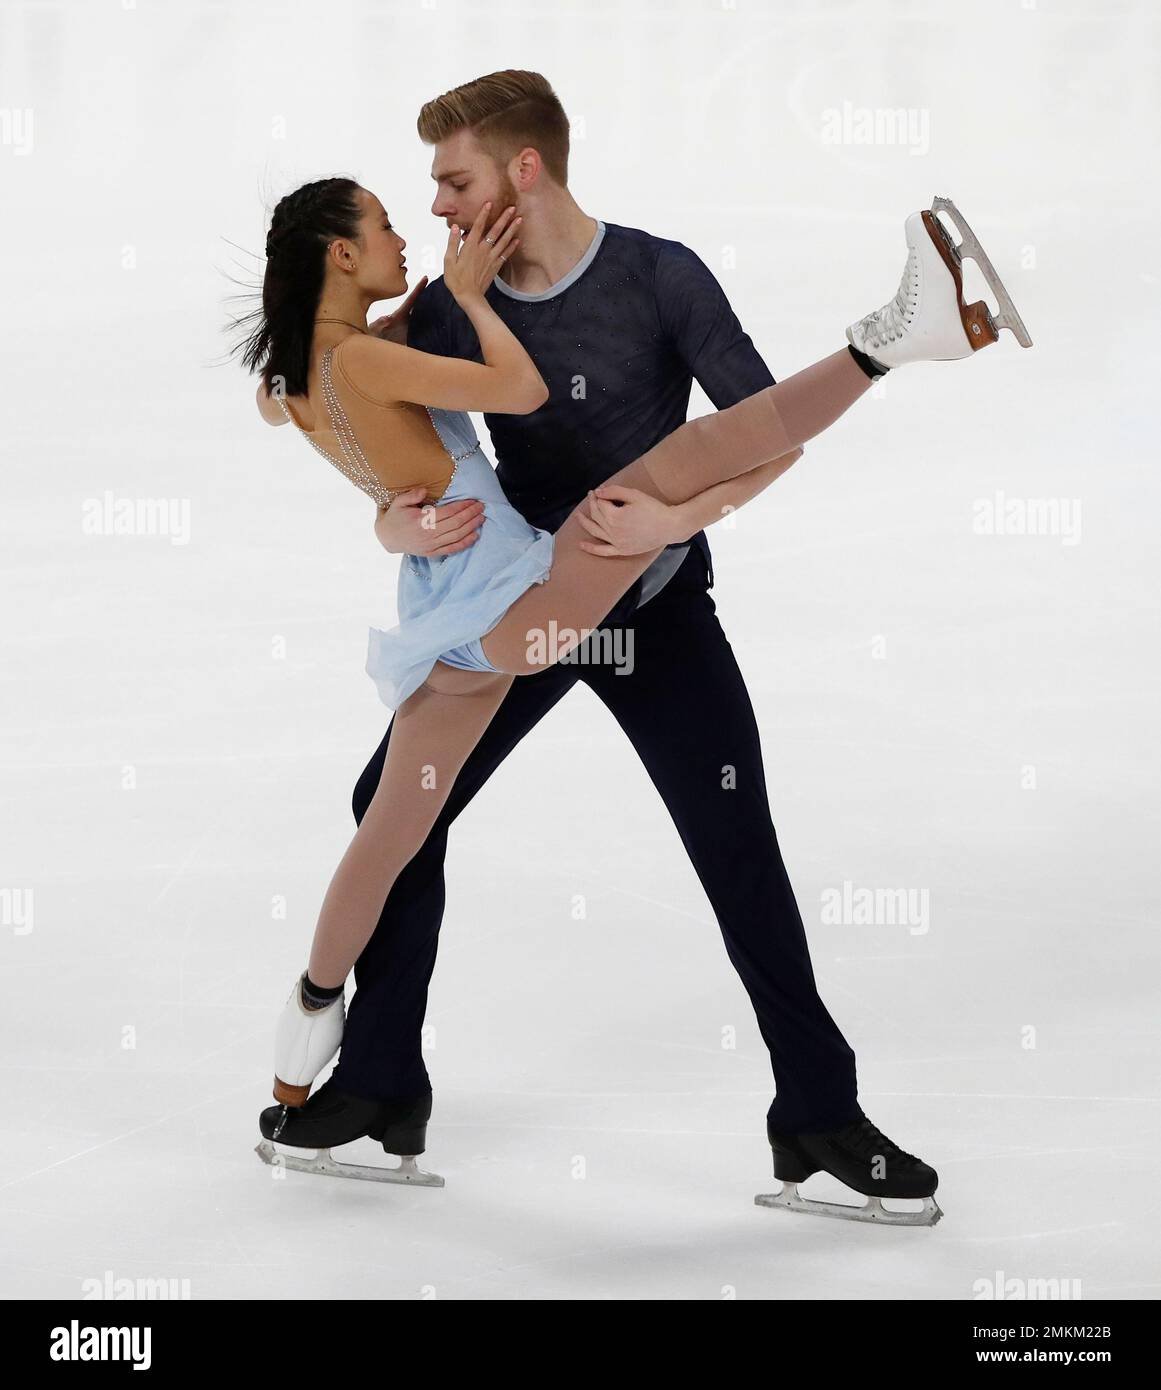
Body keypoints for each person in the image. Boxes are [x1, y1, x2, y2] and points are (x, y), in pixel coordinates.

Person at [237, 73, 1028, 1222]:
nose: (441, 209)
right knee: (397, 809)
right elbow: (361, 416)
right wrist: (389, 517)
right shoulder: (451, 306)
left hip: (648, 603)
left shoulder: (661, 274)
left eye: (453, 182)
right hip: (523, 607)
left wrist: (678, 521)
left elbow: (756, 437)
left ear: (524, 170)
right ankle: (377, 1087)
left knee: (735, 844)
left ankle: (818, 1117)